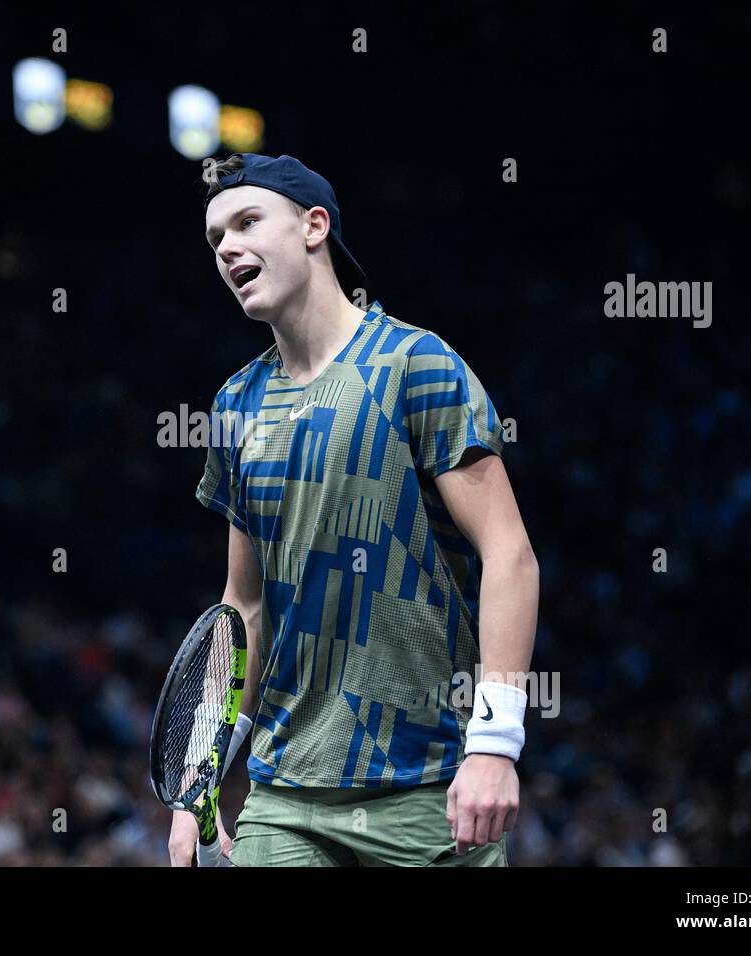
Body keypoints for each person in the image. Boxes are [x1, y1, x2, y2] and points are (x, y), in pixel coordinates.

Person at [169, 153, 540, 866]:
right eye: (215, 239)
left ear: (314, 226)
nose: (228, 249)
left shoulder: (416, 364)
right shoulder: (234, 405)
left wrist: (496, 745)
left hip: (425, 786)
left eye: (248, 223)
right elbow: (243, 609)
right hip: (282, 796)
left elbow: (509, 554)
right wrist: (201, 778)